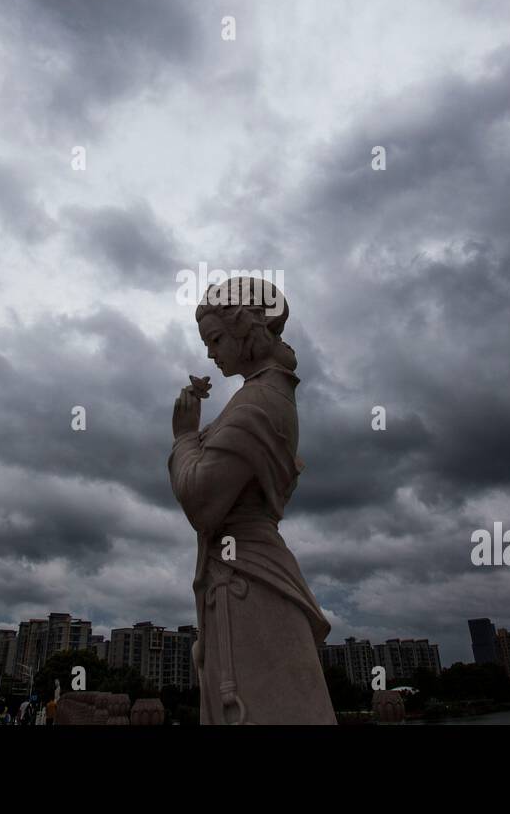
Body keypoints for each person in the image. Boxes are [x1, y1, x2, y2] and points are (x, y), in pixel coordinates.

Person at [169, 278, 336, 724]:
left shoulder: (256, 404)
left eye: (216, 339)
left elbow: (201, 503)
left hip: (248, 586)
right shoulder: (261, 395)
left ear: (245, 327)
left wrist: (185, 437)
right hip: (242, 580)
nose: (210, 353)